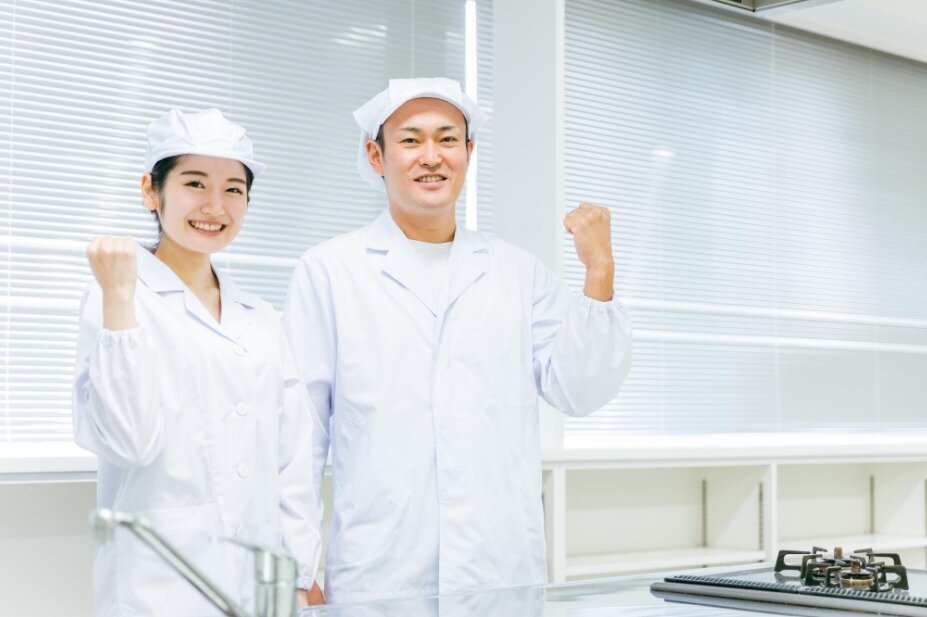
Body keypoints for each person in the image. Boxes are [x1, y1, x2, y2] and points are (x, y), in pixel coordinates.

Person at [283, 77, 632, 604]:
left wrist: (599, 270)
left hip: (498, 570)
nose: (432, 156)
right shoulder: (330, 271)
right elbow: (299, 433)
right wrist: (296, 567)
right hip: (380, 571)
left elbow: (581, 390)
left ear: (469, 153)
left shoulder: (517, 273)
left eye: (448, 139)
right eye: (410, 140)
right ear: (376, 156)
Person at [73, 109, 324, 615]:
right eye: (194, 183)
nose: (215, 206)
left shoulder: (259, 317)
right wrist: (118, 294)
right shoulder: (119, 297)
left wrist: (301, 572)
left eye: (234, 189)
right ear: (151, 191)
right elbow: (127, 440)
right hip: (157, 585)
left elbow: (292, 457)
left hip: (259, 581)